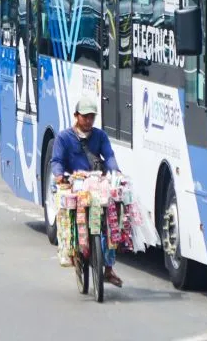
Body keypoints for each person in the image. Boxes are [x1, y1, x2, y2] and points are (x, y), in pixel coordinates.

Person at [51, 97, 124, 287]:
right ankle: (75, 252)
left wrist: (115, 173)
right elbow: (57, 161)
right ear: (76, 116)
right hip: (75, 185)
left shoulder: (100, 136)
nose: (89, 121)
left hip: (97, 184)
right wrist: (60, 175)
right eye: (85, 117)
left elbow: (109, 156)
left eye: (92, 117)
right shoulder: (63, 138)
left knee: (111, 220)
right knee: (71, 217)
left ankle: (108, 269)